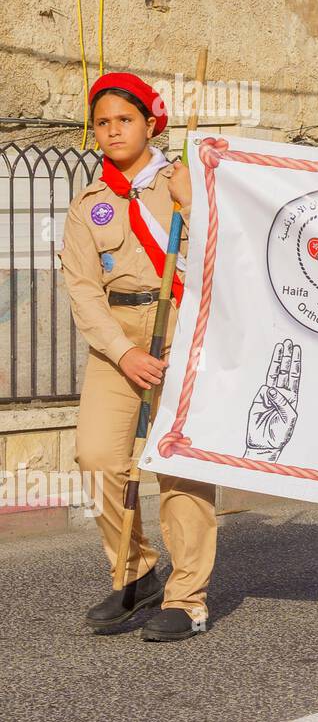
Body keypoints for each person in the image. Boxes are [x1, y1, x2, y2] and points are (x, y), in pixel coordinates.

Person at [60, 73, 217, 643]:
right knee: (97, 455)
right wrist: (123, 351)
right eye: (102, 123)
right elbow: (80, 286)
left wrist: (189, 206)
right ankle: (137, 571)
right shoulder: (89, 204)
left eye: (124, 120)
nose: (112, 131)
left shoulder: (185, 182)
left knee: (178, 466)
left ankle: (187, 598)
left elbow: (223, 255)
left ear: (150, 124)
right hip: (117, 342)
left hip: (180, 329)